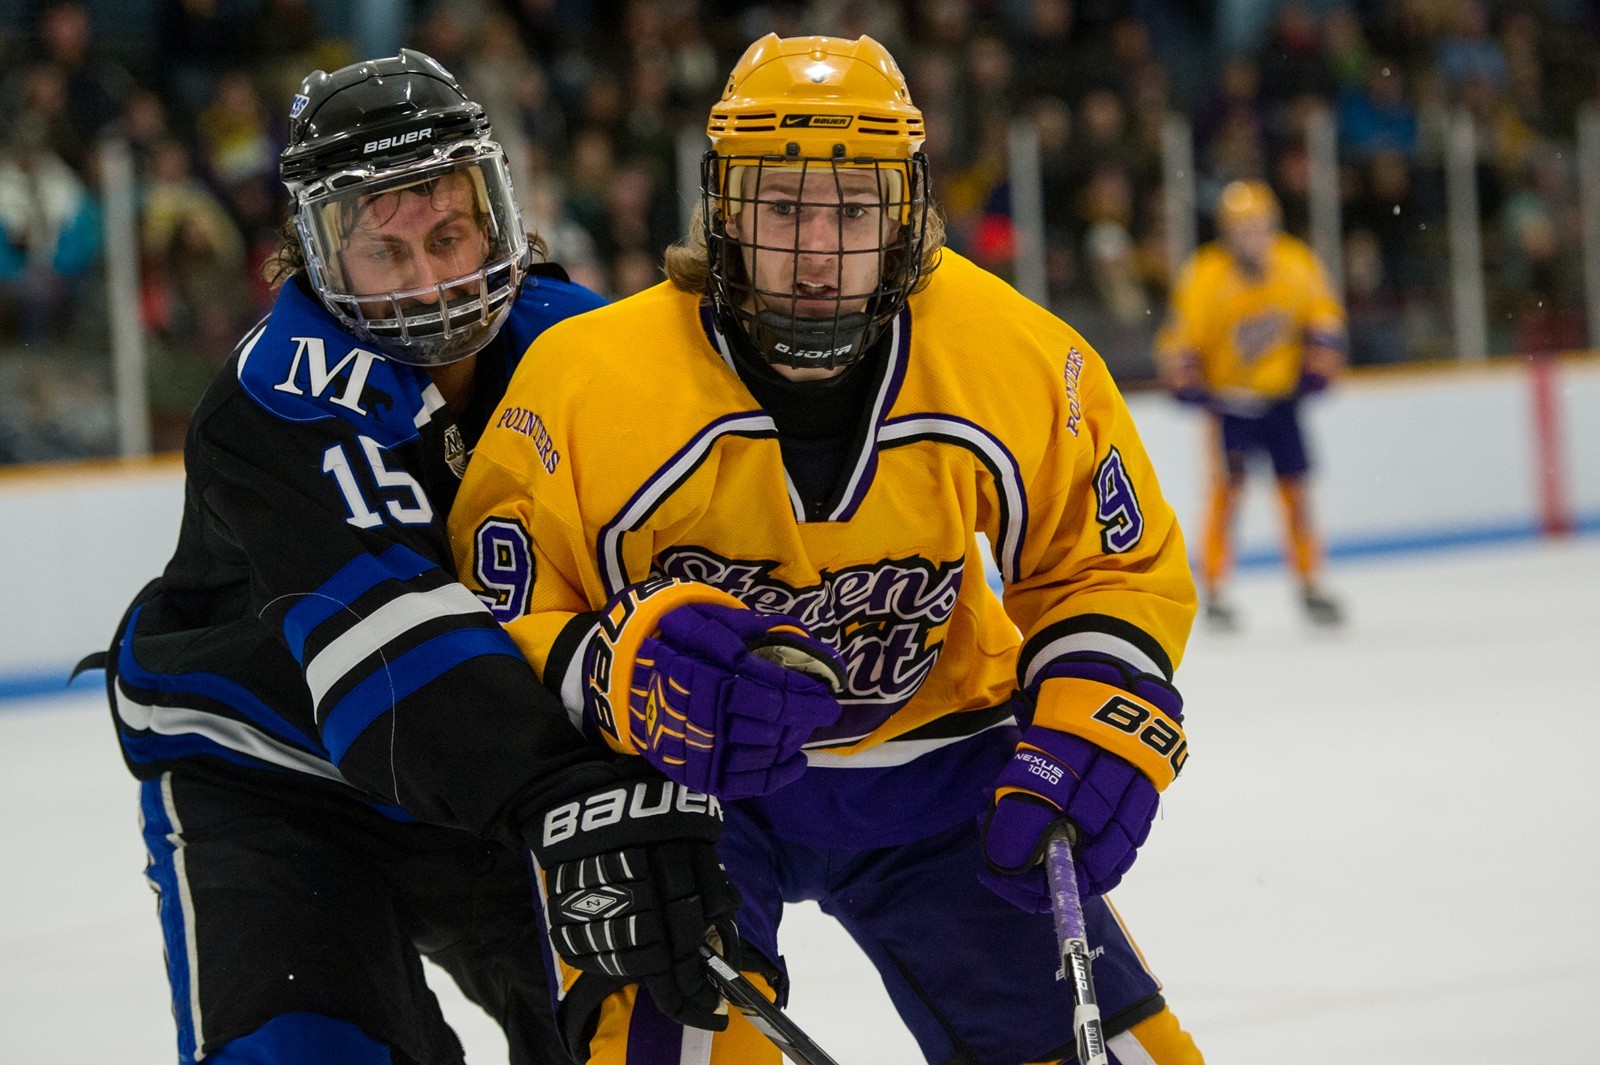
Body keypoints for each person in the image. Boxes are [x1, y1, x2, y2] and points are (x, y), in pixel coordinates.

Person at [451, 33, 1205, 1065]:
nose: (817, 250)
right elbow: (497, 601)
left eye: (853, 211)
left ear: (906, 214)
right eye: (783, 207)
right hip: (686, 788)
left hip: (942, 774)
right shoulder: (586, 382)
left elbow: (1105, 559)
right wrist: (617, 668)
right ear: (723, 207)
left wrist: (1092, 711)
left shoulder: (1011, 355)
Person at [93, 50, 735, 1065]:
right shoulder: (274, 402)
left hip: (506, 760)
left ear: (496, 217)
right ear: (316, 255)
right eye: (385, 252)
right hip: (274, 779)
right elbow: (395, 655)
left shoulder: (584, 348)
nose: (430, 282)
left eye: (446, 236)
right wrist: (574, 793)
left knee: (658, 1033)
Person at [1157, 179, 1347, 630]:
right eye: (1243, 227)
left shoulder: (1295, 263)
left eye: (1259, 226)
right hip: (1232, 407)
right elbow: (1181, 337)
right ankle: (1215, 588)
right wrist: (1184, 376)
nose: (1252, 236)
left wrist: (1321, 360)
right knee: (1227, 497)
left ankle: (1310, 581)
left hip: (1282, 404)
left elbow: (1324, 318)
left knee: (1296, 495)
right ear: (1226, 231)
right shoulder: (1206, 275)